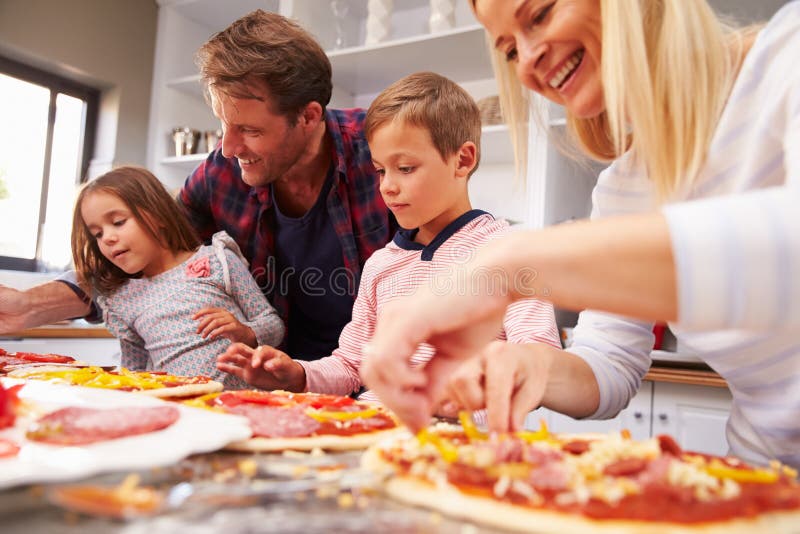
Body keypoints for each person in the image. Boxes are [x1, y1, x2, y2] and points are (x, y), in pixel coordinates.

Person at [360, 0, 800, 470]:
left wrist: (507, 266)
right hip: (764, 477)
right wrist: (528, 365)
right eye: (509, 50)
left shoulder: (787, 54)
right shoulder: (624, 187)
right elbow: (608, 364)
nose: (527, 60)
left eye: (541, 14)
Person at [0, 10, 395, 362]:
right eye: (224, 124)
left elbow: (446, 261)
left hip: (381, 374)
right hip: (277, 379)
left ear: (308, 116)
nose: (229, 146)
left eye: (249, 130)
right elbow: (145, 244)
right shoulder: (220, 174)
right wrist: (27, 306)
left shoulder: (383, 150)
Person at [216, 72, 560, 402]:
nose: (387, 186)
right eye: (380, 170)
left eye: (405, 168)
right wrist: (298, 375)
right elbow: (351, 366)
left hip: (461, 442)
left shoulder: (511, 252)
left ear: (462, 160)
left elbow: (537, 355)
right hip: (375, 429)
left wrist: (472, 381)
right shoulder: (382, 264)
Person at [71, 166, 284, 389]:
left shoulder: (217, 261)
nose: (108, 238)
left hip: (241, 406)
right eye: (98, 234)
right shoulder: (122, 299)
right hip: (181, 410)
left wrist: (245, 333)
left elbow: (273, 325)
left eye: (118, 222)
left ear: (158, 215)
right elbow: (134, 375)